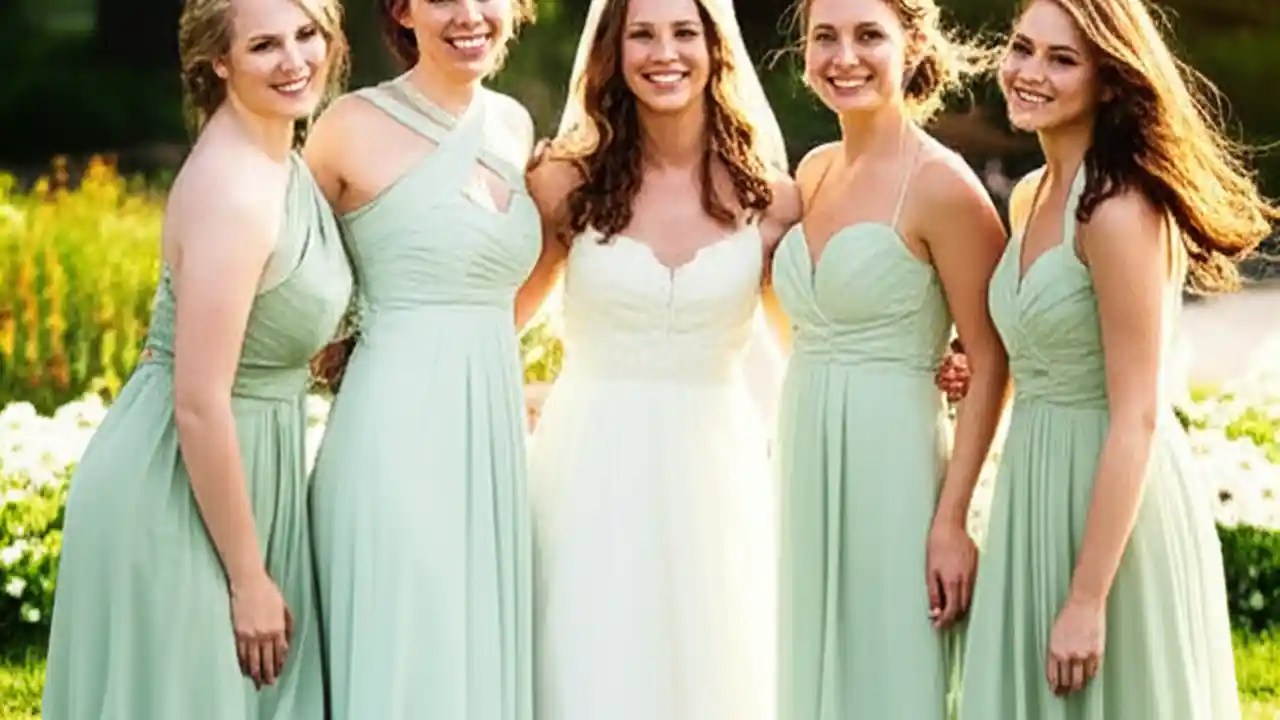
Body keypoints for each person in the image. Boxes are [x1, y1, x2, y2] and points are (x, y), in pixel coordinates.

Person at [959, 0, 1279, 716]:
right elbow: (1043, 340)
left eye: (1061, 59)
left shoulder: (1118, 211)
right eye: (1023, 48)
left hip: (1109, 503)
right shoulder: (1033, 195)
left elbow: (1135, 414)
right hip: (1033, 486)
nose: (1029, 72)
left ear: (1109, 81)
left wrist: (1086, 597)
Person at [42, 0, 351, 717]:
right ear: (220, 62)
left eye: (308, 35)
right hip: (179, 484)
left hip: (248, 464)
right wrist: (247, 578)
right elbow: (201, 401)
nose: (295, 60)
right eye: (265, 46)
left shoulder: (282, 158)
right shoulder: (233, 189)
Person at [771, 1, 1008, 717]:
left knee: (887, 669)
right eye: (826, 38)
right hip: (807, 451)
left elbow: (993, 358)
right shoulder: (810, 172)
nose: (845, 57)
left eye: (869, 35)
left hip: (896, 464)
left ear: (914, 44)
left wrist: (951, 519)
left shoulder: (943, 185)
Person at [302, 0, 539, 716]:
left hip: (492, 431)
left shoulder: (513, 124)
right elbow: (283, 271)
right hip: (392, 428)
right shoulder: (349, 126)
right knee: (407, 633)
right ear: (403, 11)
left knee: (472, 640)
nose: (469, 15)